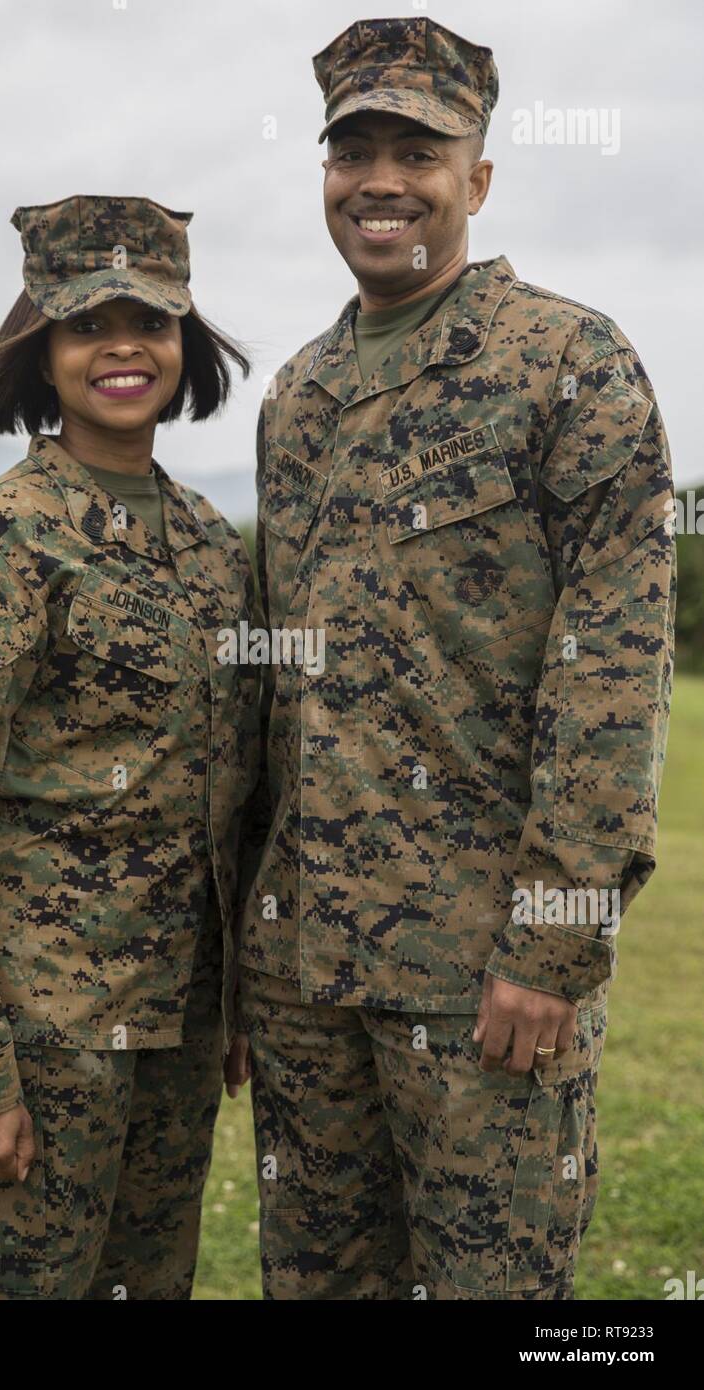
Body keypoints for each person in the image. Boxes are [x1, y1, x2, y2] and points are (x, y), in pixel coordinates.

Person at [237, 16, 675, 1299]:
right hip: (306, 977)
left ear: (474, 178)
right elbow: (278, 692)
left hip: (480, 981)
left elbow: (612, 677)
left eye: (416, 150)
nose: (381, 179)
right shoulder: (298, 397)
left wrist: (551, 945)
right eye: (353, 149)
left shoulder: (565, 368)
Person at [0, 194, 260, 1300]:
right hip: (37, 1042)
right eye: (89, 324)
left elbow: (227, 792)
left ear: (187, 342)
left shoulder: (210, 549)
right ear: (41, 350)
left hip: (171, 1038)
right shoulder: (0, 541)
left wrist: (224, 1001)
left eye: (153, 319)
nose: (124, 345)